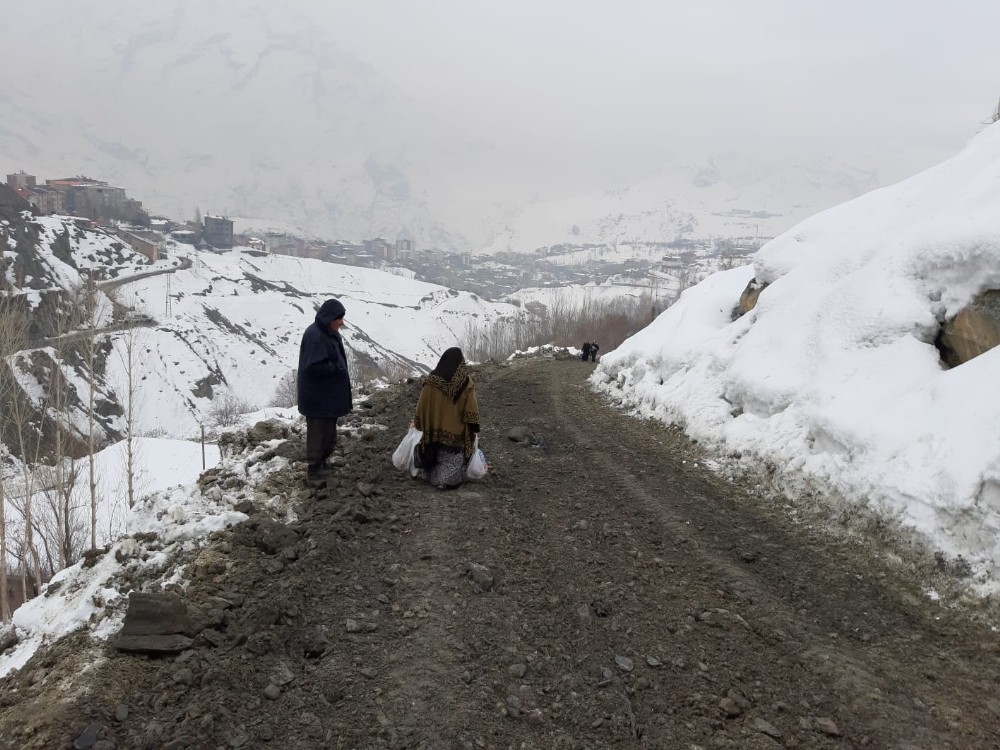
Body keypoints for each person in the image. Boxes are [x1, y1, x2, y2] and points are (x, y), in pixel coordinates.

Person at [297, 298, 352, 481]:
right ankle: (314, 469)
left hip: (328, 396)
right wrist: (337, 368)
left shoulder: (327, 332)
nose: (342, 322)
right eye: (339, 319)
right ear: (330, 318)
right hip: (318, 397)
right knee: (318, 431)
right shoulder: (316, 336)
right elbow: (312, 367)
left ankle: (322, 463)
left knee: (328, 431)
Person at [413, 348, 480, 489]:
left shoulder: (431, 380)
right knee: (452, 474)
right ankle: (443, 478)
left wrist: (421, 424)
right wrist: (473, 429)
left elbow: (420, 408)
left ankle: (431, 474)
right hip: (454, 443)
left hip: (431, 441)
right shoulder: (465, 382)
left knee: (430, 466)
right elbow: (472, 412)